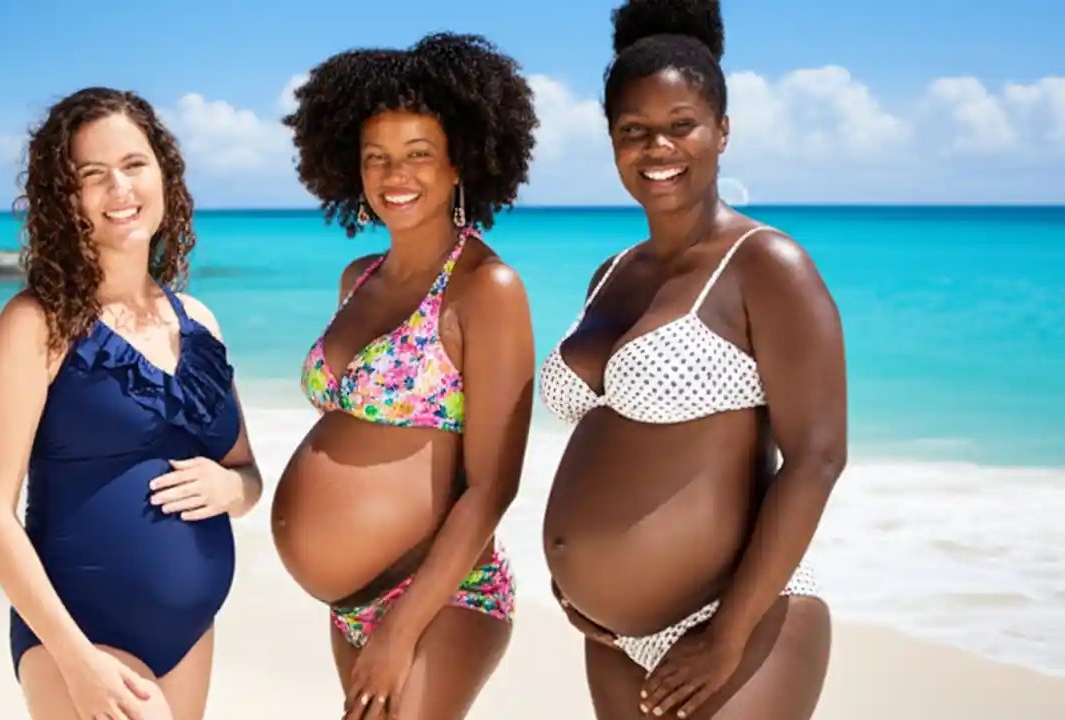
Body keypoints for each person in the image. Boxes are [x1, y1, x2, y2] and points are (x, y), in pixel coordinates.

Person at [539, 2, 846, 718]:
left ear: (722, 131)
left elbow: (818, 456)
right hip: (613, 636)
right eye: (634, 131)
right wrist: (578, 579)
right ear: (611, 140)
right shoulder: (611, 274)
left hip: (737, 620)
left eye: (682, 125)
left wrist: (728, 633)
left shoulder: (765, 263)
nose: (658, 148)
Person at [0, 87, 262, 720]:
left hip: (189, 633)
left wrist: (233, 490)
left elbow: (247, 471)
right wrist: (76, 660)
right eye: (91, 175)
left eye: (133, 165)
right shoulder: (37, 325)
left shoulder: (199, 323)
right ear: (62, 200)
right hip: (81, 633)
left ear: (164, 174)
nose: (118, 188)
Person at [272, 32, 538, 720]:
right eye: (377, 158)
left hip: (443, 596)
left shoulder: (486, 287)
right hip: (350, 605)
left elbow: (492, 485)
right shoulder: (357, 279)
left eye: (420, 154)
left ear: (460, 165)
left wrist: (400, 630)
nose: (397, 174)